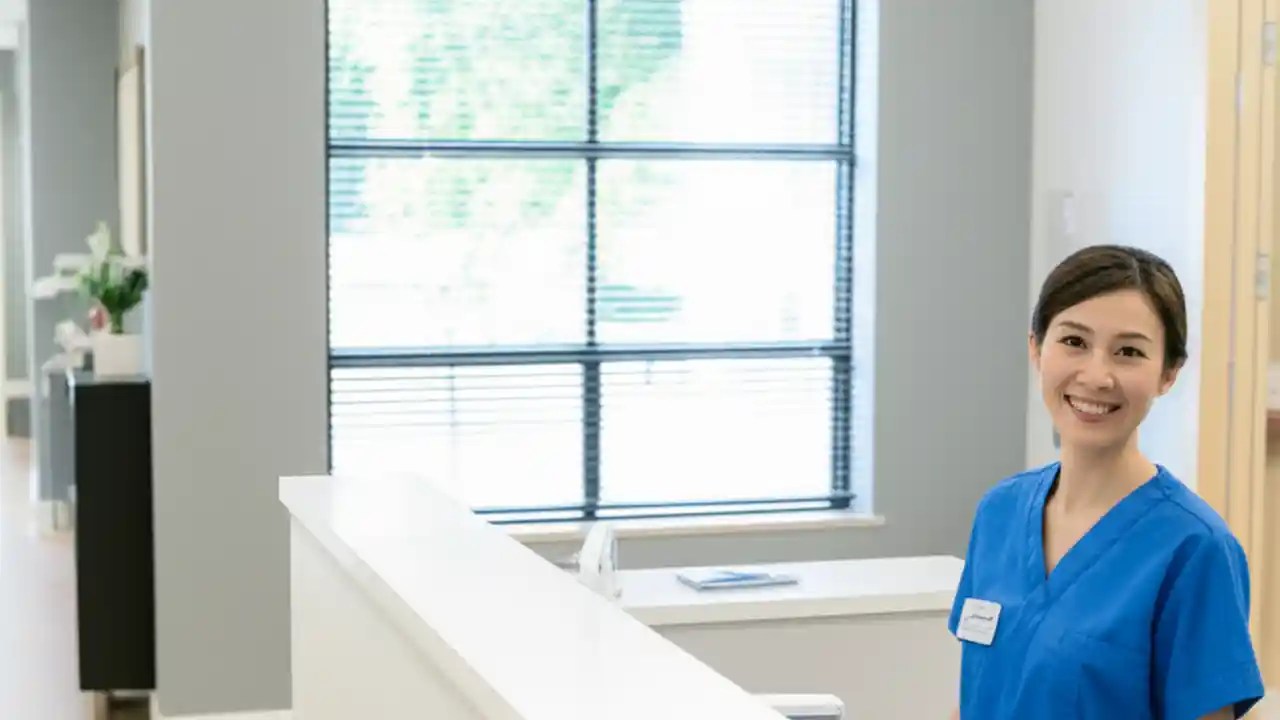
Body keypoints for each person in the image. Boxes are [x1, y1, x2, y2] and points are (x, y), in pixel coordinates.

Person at [947, 245, 1265, 719]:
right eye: (1074, 342)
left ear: (1168, 374)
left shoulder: (1195, 549)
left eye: (1129, 352)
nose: (1096, 376)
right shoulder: (1000, 513)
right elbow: (976, 697)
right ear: (1036, 347)